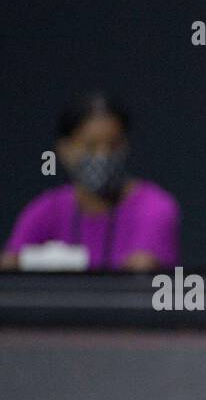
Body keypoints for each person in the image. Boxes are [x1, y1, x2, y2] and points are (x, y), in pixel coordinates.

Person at [2, 91, 179, 272]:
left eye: (113, 145)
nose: (102, 156)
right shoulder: (46, 209)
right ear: (64, 149)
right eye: (90, 146)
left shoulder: (155, 207)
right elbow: (10, 267)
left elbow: (145, 274)